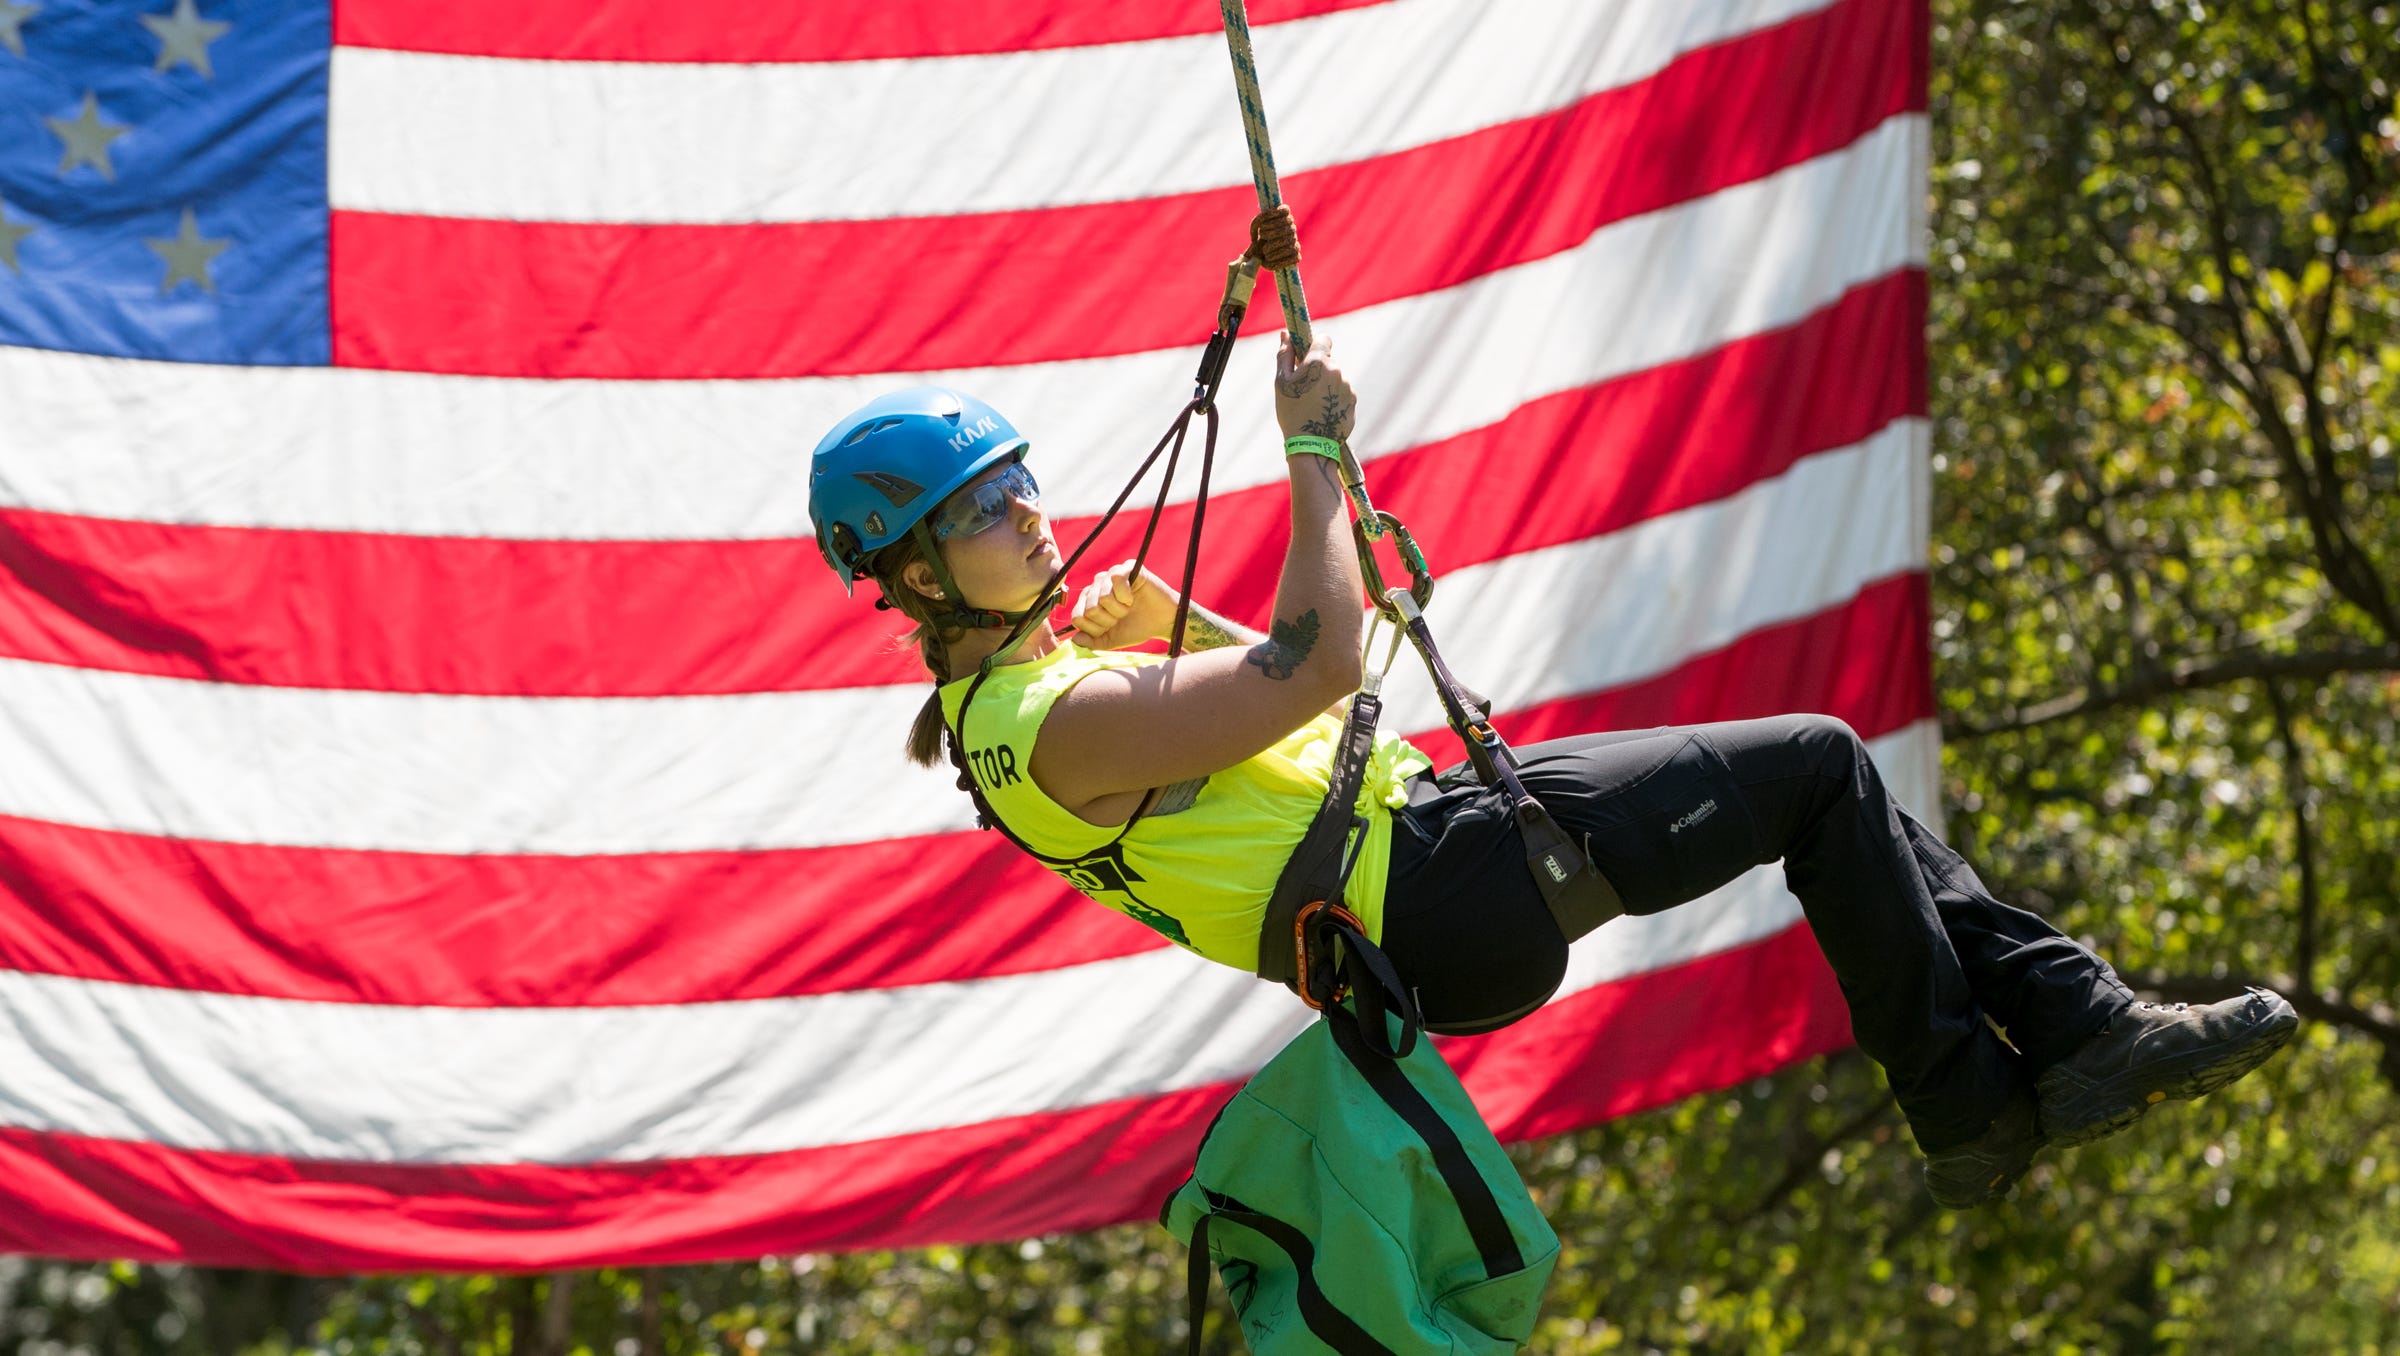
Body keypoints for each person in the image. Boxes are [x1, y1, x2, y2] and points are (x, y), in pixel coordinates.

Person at [804, 216, 2298, 1209]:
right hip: (1438, 888)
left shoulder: (1041, 708)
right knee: (1822, 768)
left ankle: (2043, 1052)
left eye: (1019, 483)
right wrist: (1313, 451)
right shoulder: (1049, 719)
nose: (1033, 514)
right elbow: (1321, 665)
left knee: (1828, 785)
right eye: (986, 511)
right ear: (916, 572)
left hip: (1432, 867)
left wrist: (1188, 627)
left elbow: (1278, 700)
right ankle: (1984, 1092)